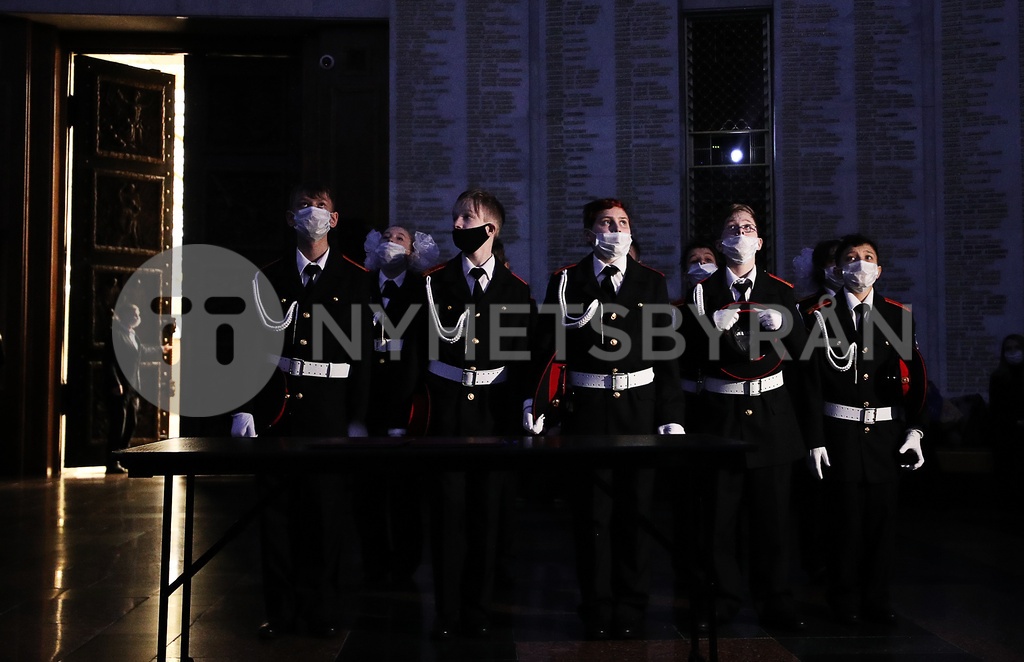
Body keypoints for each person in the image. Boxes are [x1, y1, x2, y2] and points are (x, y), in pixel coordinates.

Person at [535, 197, 685, 640]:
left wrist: (671, 415)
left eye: (622, 222)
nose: (616, 230)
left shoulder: (651, 281)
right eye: (606, 223)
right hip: (588, 410)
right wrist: (539, 404)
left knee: (636, 512)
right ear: (589, 234)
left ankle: (632, 604)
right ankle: (596, 605)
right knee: (592, 516)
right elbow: (548, 346)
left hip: (638, 408)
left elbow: (665, 354)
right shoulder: (566, 281)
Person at [231, 182, 374, 640]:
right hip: (278, 409)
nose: (312, 212)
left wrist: (359, 417)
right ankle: (280, 612)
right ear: (290, 218)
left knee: (326, 516)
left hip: (330, 411)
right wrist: (244, 407)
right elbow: (248, 348)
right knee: (276, 517)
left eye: (321, 206)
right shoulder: (268, 277)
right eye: (304, 206)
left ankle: (321, 610)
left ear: (334, 219)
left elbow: (364, 357)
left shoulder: (357, 278)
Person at [683, 203, 822, 631]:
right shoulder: (702, 293)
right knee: (718, 520)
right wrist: (709, 327)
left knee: (772, 520)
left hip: (770, 415)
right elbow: (685, 356)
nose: (740, 234)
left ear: (759, 241)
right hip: (720, 416)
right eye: (732, 228)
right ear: (721, 241)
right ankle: (720, 600)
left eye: (748, 227)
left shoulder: (780, 290)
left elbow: (805, 356)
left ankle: (775, 600)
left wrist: (787, 325)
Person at [421, 188, 535, 639]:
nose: (457, 225)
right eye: (455, 217)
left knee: (488, 517)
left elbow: (522, 359)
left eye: (466, 218)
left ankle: (479, 609)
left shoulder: (516, 289)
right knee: (447, 516)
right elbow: (415, 352)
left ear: (492, 228)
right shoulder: (433, 282)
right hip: (446, 409)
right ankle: (447, 612)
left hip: (493, 413)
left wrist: (527, 405)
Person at [803, 233, 926, 626]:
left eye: (868, 257)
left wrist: (916, 430)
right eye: (852, 257)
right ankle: (844, 599)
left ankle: (877, 598)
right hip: (839, 433)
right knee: (844, 524)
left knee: (881, 525)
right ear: (839, 270)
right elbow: (810, 385)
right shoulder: (820, 316)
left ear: (880, 269)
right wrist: (814, 440)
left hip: (885, 437)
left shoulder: (897, 316)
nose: (861, 264)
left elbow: (915, 378)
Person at [352, 225, 438, 587]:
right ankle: (374, 561)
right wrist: (355, 414)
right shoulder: (361, 286)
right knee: (367, 491)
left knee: (405, 491)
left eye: (399, 238)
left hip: (406, 402)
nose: (391, 242)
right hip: (367, 402)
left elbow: (427, 351)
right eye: (386, 237)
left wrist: (413, 408)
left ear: (414, 251)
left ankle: (406, 562)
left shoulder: (424, 290)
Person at [103, 301, 171, 474]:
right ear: (124, 316)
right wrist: (114, 382)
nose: (137, 317)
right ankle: (112, 462)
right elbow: (109, 362)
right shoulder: (116, 335)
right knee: (118, 424)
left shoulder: (133, 335)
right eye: (134, 314)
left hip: (133, 387)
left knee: (131, 423)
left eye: (138, 314)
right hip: (120, 387)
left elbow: (142, 351)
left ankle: (123, 457)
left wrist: (161, 349)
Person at [794, 238, 842, 311]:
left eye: (847, 259)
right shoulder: (805, 306)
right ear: (821, 267)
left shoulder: (859, 300)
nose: (842, 266)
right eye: (834, 260)